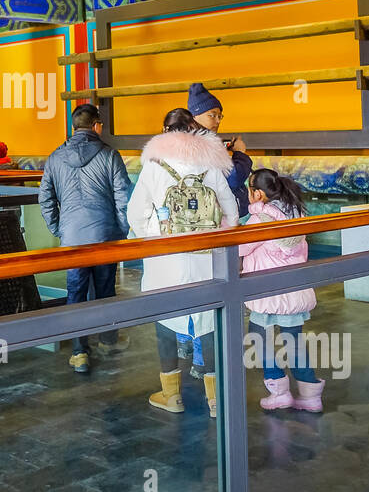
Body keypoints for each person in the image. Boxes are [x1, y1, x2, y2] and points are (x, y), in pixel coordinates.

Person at [127, 108, 239, 417]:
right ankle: (216, 401)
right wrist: (211, 234)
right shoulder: (211, 162)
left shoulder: (154, 164)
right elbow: (230, 211)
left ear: (163, 132)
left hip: (167, 258)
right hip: (206, 257)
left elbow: (136, 212)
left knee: (165, 321)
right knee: (209, 322)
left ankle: (171, 395)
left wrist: (158, 234)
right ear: (193, 128)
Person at [38, 103, 131, 374]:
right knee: (105, 290)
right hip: (104, 236)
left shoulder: (55, 158)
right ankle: (107, 339)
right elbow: (122, 197)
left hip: (72, 239)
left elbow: (45, 198)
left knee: (76, 292)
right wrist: (121, 232)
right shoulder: (110, 155)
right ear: (97, 125)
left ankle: (79, 352)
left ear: (73, 126)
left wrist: (59, 228)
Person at [240, 168, 323, 412]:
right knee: (293, 340)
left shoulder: (260, 219)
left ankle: (279, 391)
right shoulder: (294, 212)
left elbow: (240, 248)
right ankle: (310, 395)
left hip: (268, 292)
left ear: (257, 194)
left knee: (259, 336)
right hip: (294, 289)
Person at [188, 83, 253, 217]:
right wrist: (240, 154)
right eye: (212, 115)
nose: (217, 121)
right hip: (215, 216)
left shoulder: (190, 141)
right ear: (194, 116)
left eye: (220, 116)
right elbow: (234, 177)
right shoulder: (202, 144)